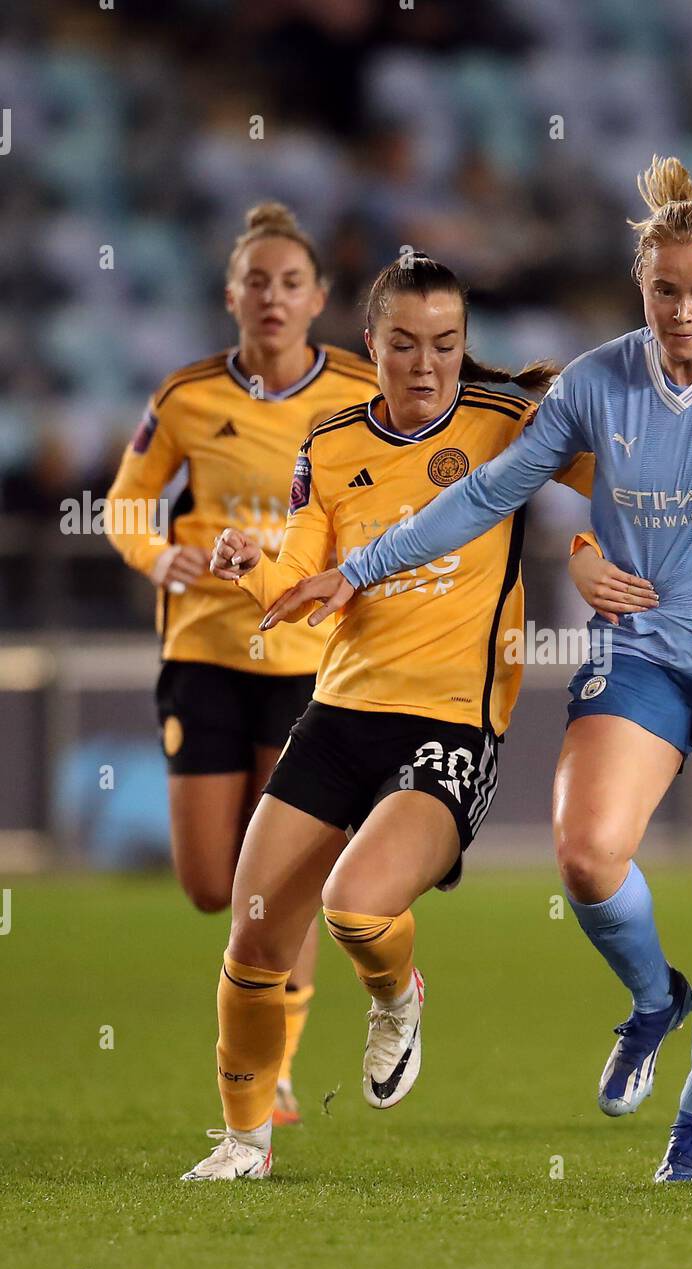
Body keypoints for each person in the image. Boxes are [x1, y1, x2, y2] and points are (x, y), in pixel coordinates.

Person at [265, 157, 692, 1183]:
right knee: (585, 854)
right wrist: (355, 569)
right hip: (645, 650)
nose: (685, 311)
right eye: (666, 290)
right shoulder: (594, 386)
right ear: (642, 287)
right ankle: (655, 1000)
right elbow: (484, 493)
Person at [180, 253, 593, 1181]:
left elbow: (627, 494)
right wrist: (253, 565)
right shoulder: (328, 447)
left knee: (357, 909)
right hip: (340, 711)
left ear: (463, 348)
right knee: (252, 932)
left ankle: (397, 995)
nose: (426, 363)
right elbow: (303, 577)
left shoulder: (507, 425)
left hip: (454, 722)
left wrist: (592, 547)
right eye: (404, 343)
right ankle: (245, 1143)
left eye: (446, 344)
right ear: (371, 346)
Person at [105, 202, 379, 1124]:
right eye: (256, 282)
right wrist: (157, 554)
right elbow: (127, 503)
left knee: (280, 880)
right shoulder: (186, 398)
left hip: (308, 663)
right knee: (208, 885)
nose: (272, 297)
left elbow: (385, 492)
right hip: (206, 652)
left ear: (319, 298)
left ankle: (280, 1066)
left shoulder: (354, 390)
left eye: (290, 282)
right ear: (232, 296)